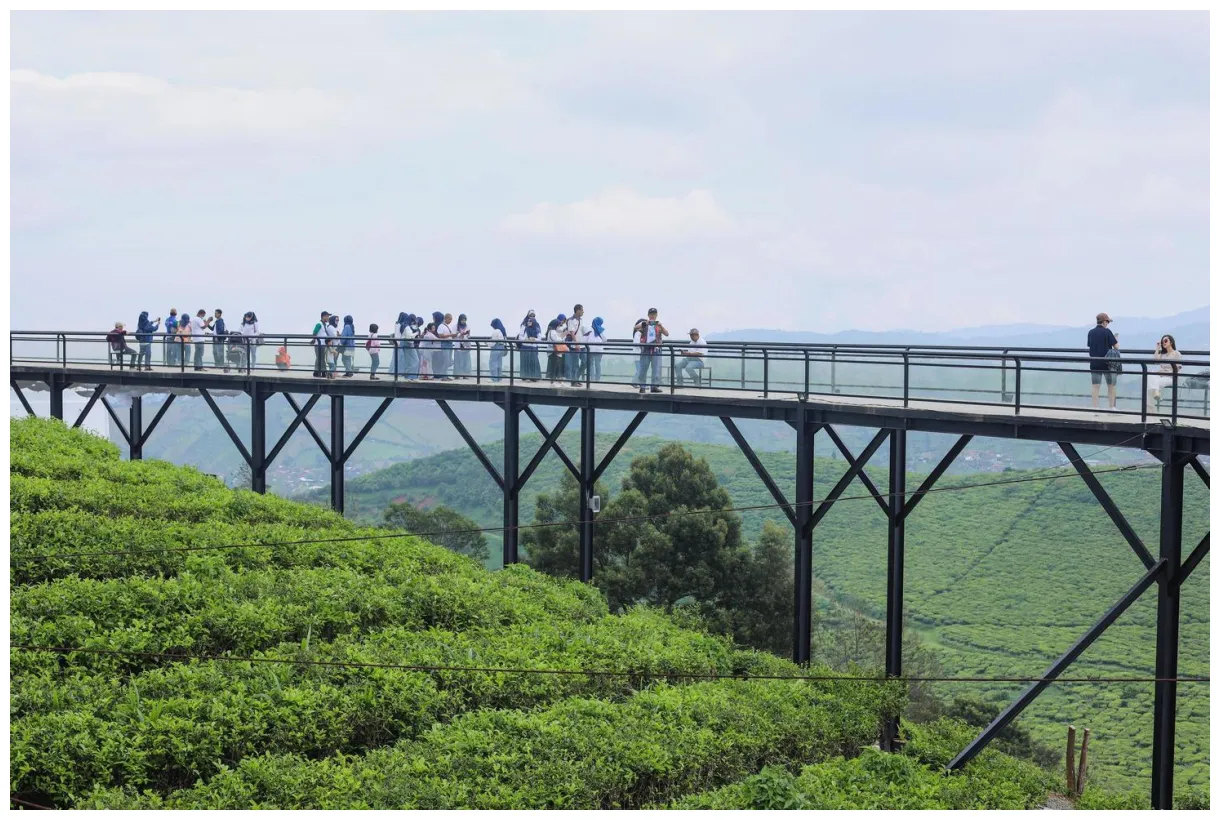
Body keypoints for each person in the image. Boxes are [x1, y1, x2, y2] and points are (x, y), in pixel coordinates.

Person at [1087, 312, 1119, 410]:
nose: (1108, 324)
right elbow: (1116, 346)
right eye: (1108, 322)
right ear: (1104, 322)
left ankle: (1095, 408)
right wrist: (1115, 339)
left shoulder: (1090, 332)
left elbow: (1089, 345)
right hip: (1107, 363)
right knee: (1111, 385)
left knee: (1095, 386)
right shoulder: (1107, 331)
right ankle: (1111, 407)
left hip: (1094, 362)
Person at [1148, 334, 1183, 414]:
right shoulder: (1163, 355)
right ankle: (1151, 407)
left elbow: (1178, 368)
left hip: (1171, 377)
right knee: (1149, 378)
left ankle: (1156, 394)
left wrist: (1166, 372)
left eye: (1166, 340)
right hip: (1161, 375)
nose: (1164, 342)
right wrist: (1157, 348)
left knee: (1154, 383)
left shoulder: (1177, 354)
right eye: (1162, 341)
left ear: (1171, 342)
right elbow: (1155, 360)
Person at [639, 308, 668, 394]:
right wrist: (645, 323)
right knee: (643, 369)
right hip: (646, 349)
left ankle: (654, 386)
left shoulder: (658, 325)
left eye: (654, 314)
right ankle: (642, 386)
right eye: (651, 314)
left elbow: (666, 333)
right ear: (648, 315)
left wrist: (661, 325)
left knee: (656, 369)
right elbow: (636, 328)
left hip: (656, 349)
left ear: (656, 315)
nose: (652, 316)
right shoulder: (644, 324)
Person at [565, 304, 585, 385]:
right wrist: (576, 344)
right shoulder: (571, 320)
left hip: (583, 345)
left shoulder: (581, 320)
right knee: (575, 364)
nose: (583, 312)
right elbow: (572, 333)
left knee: (585, 361)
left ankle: (576, 377)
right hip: (575, 345)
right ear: (578, 310)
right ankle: (574, 381)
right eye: (582, 310)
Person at [519, 312, 541, 381]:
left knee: (533, 362)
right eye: (530, 316)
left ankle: (534, 377)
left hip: (533, 347)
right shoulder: (524, 326)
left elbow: (539, 338)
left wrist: (534, 339)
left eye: (533, 316)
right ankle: (525, 376)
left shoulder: (536, 327)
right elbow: (520, 337)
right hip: (525, 346)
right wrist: (526, 339)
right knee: (525, 362)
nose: (531, 317)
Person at [583, 317, 606, 383]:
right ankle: (597, 379)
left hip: (591, 349)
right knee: (598, 364)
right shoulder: (600, 331)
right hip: (599, 350)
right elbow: (605, 340)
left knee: (591, 364)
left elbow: (584, 340)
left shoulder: (589, 330)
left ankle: (592, 379)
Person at [546, 318, 566, 383]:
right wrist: (562, 337)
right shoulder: (552, 332)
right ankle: (552, 381)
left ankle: (555, 380)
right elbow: (556, 340)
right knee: (554, 367)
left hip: (555, 351)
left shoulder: (553, 332)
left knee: (556, 366)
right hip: (553, 351)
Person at [312, 310, 331, 378]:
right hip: (319, 344)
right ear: (324, 317)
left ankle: (318, 371)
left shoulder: (324, 325)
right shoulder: (319, 324)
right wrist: (314, 339)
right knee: (320, 358)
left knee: (320, 358)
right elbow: (314, 332)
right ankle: (321, 371)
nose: (328, 318)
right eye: (327, 316)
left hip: (322, 344)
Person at [630, 318, 648, 388]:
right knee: (640, 370)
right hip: (638, 355)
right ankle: (634, 382)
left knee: (641, 370)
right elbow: (636, 343)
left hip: (640, 355)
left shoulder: (641, 334)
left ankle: (640, 383)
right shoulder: (638, 333)